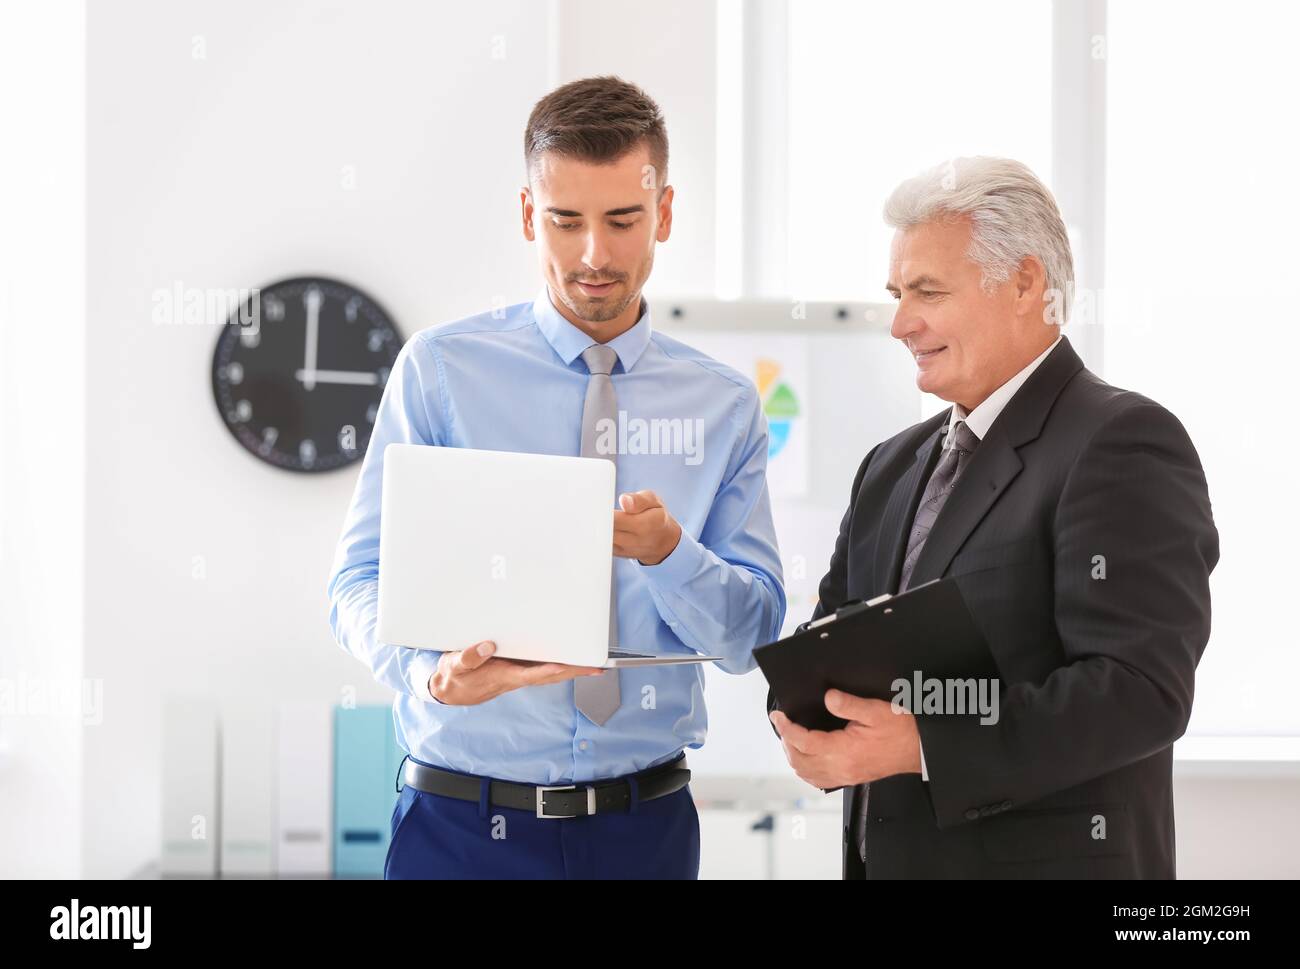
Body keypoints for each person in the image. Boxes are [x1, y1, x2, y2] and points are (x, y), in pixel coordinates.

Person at [327, 76, 785, 879]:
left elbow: (753, 636)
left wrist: (671, 554)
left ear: (665, 214)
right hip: (459, 826)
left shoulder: (724, 406)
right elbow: (357, 580)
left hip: (643, 831)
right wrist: (428, 674)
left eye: (622, 220)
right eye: (566, 221)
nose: (594, 255)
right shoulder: (440, 371)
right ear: (528, 215)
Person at [769, 156, 1218, 879]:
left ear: (1025, 284)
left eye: (928, 292)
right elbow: (828, 636)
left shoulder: (1121, 442)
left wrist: (920, 744)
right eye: (896, 293)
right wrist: (803, 718)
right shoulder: (891, 465)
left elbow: (1139, 691)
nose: (900, 323)